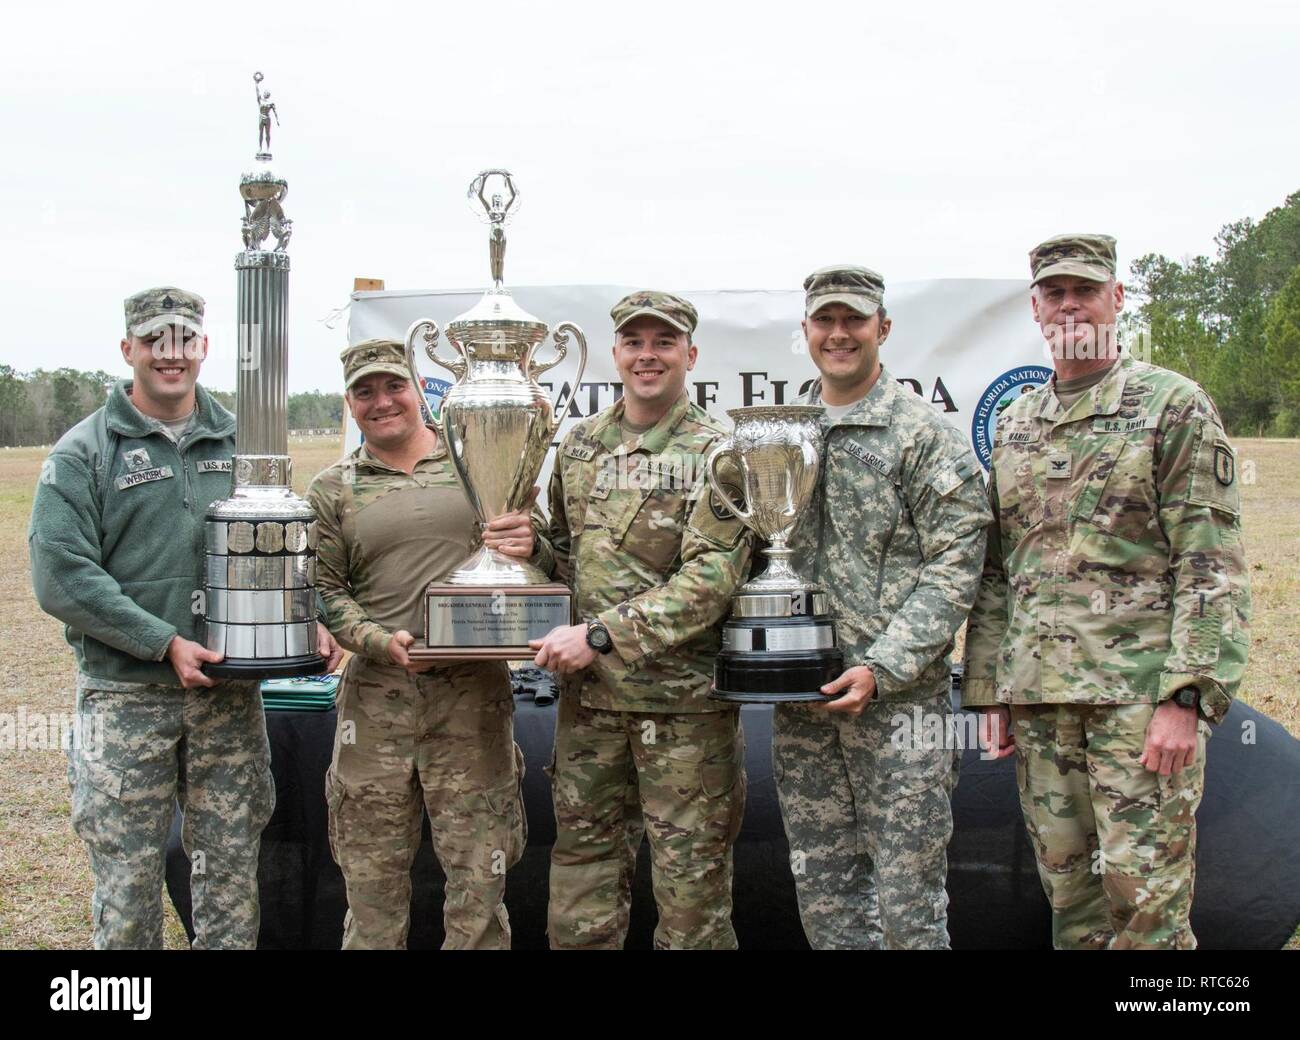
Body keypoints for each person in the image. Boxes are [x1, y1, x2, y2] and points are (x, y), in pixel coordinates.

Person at [961, 234, 1252, 949]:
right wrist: (992, 690)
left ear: (1116, 300)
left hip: (1137, 703)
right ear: (1035, 308)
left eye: (1084, 291)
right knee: (1073, 902)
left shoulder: (1170, 405)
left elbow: (1211, 563)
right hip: (1040, 705)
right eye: (1054, 293)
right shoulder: (1016, 421)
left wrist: (1185, 697)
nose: (1070, 306)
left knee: (1145, 903)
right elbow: (999, 571)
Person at [29, 286, 342, 949]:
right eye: (153, 342)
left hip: (226, 701)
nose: (169, 355)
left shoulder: (244, 444)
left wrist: (307, 617)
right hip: (126, 699)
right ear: (128, 351)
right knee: (127, 880)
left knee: (229, 874)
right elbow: (61, 574)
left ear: (202, 348)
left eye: (182, 341)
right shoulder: (83, 453)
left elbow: (278, 546)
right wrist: (161, 641)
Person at [773, 265, 991, 949]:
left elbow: (956, 566)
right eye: (825, 321)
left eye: (855, 321)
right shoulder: (781, 437)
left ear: (883, 329)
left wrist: (883, 666)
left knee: (909, 899)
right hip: (802, 702)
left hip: (898, 709)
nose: (839, 334)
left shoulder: (924, 437)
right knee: (827, 891)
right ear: (805, 331)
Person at [529, 290, 753, 949]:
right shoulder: (581, 446)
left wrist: (600, 636)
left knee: (692, 902)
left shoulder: (718, 455)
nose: (647, 355)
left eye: (663, 342)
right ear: (616, 352)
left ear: (691, 353)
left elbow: (712, 579)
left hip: (682, 714)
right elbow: (571, 559)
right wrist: (531, 550)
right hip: (590, 711)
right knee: (581, 883)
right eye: (634, 342)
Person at [307, 339, 531, 949]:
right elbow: (323, 591)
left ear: (418, 390)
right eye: (364, 392)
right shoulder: (332, 489)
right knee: (371, 885)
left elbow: (538, 561)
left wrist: (528, 543)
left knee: (480, 884)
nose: (382, 402)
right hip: (375, 704)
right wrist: (381, 641)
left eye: (393, 386)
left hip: (473, 701)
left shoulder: (477, 464)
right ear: (350, 403)